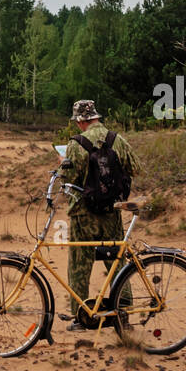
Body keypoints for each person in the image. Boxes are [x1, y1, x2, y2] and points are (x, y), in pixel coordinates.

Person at [57, 99, 137, 331]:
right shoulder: (117, 139)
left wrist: (63, 163)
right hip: (112, 211)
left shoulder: (76, 144)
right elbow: (135, 168)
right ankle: (123, 315)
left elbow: (69, 180)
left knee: (79, 265)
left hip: (83, 214)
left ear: (81, 121)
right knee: (117, 262)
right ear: (95, 116)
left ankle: (81, 316)